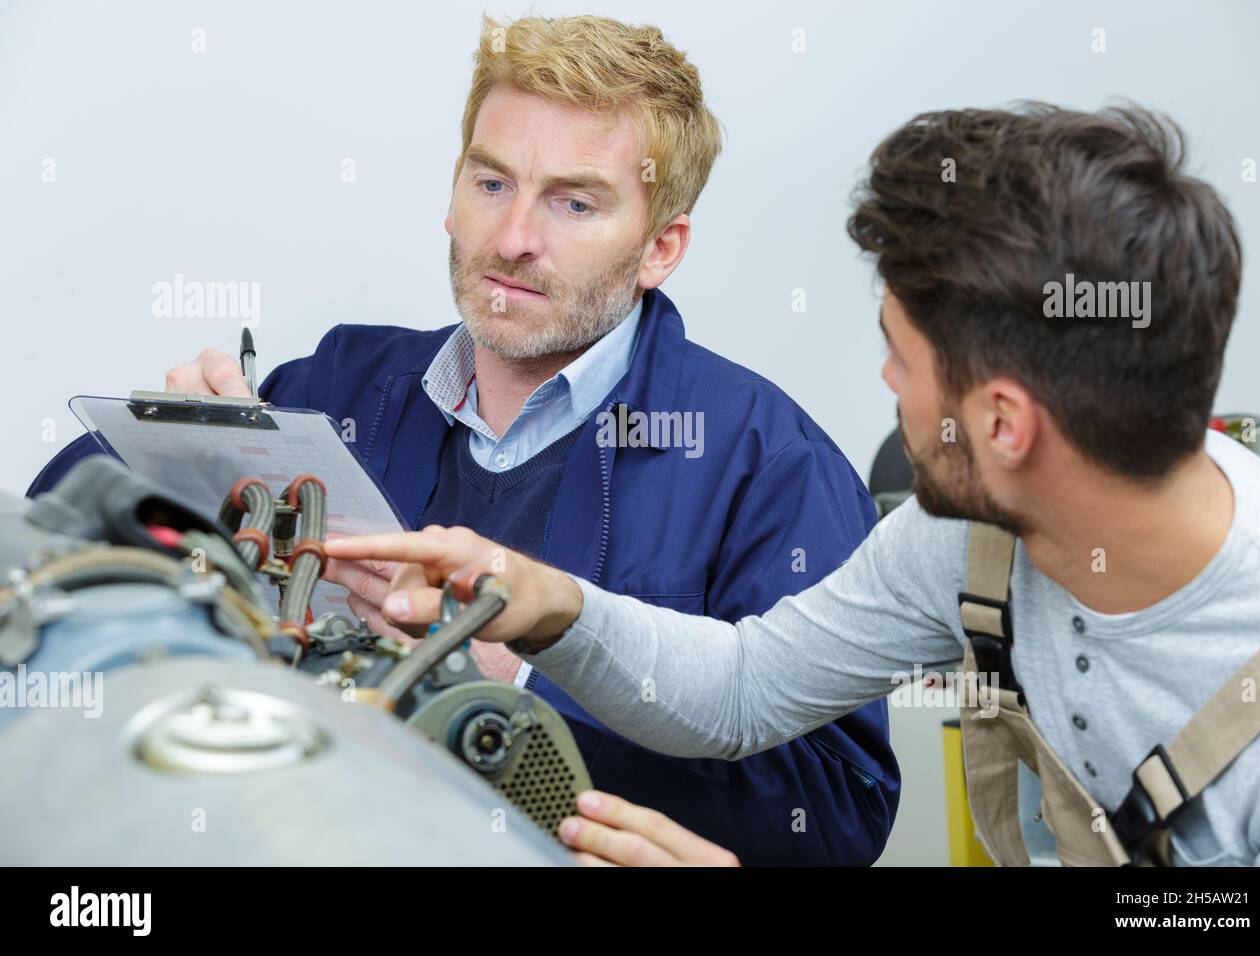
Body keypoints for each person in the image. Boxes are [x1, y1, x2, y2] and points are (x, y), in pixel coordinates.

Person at [327, 104, 1260, 867]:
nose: (885, 385)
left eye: (900, 357)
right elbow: (748, 686)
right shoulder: (969, 537)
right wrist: (549, 606)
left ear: (1002, 423)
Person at [28, 14, 899, 866]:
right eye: (491, 184)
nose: (513, 240)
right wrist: (174, 460)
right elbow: (47, 546)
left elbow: (833, 812)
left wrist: (508, 683)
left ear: (659, 247)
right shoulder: (332, 388)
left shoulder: (770, 464)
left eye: (573, 202)